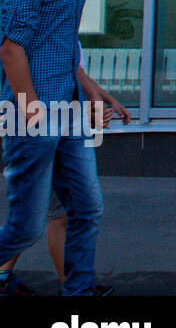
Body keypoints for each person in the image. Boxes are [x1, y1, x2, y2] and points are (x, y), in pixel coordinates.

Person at [0, 0, 127, 296]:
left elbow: (62, 46)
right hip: (33, 114)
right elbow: (11, 48)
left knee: (87, 208)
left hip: (68, 110)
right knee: (26, 226)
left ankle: (79, 292)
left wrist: (93, 90)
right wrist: (31, 110)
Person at [0, 43, 127, 296]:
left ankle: (70, 286)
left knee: (43, 217)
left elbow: (74, 69)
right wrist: (37, 116)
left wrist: (97, 95)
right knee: (46, 219)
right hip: (40, 127)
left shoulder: (64, 22)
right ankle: (72, 287)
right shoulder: (29, 14)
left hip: (60, 126)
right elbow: (13, 61)